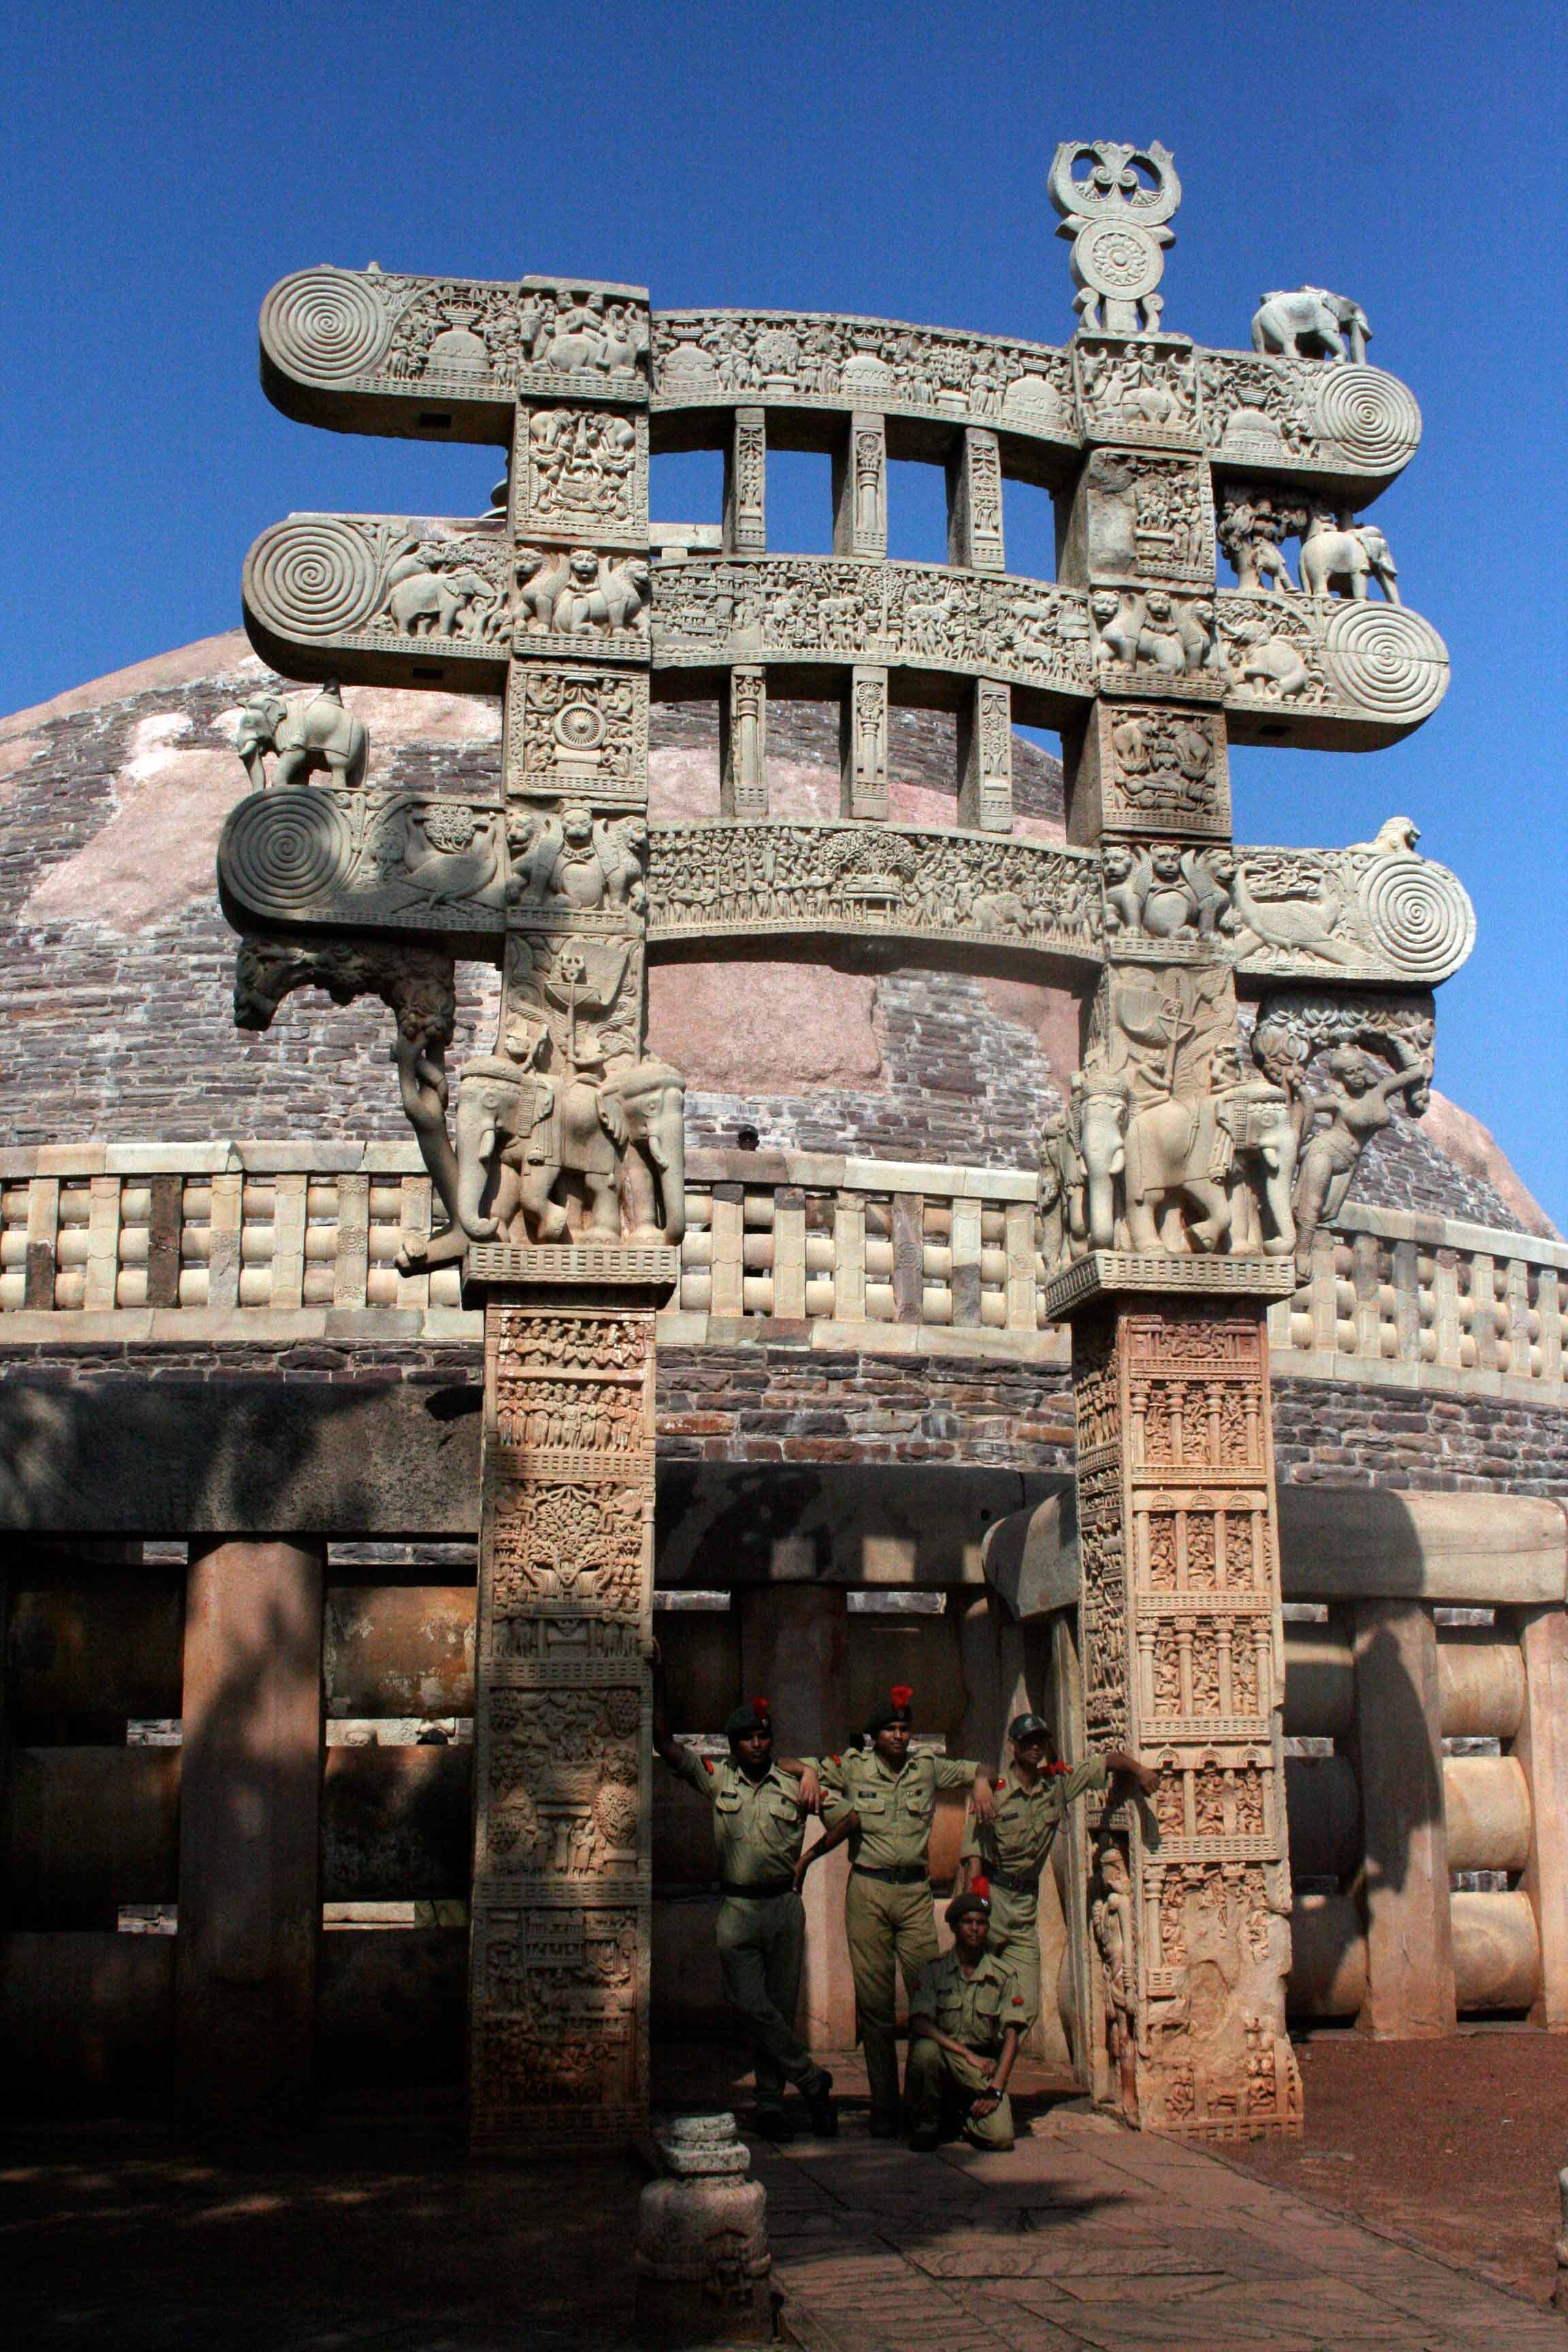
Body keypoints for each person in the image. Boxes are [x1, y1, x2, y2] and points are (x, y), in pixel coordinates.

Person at [650, 1644, 846, 2138]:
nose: (757, 1745)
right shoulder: (718, 1781)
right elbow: (664, 1742)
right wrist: (660, 1674)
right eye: (748, 1739)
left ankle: (770, 2105)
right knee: (751, 2005)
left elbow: (850, 1819)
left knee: (777, 2010)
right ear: (733, 1746)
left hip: (783, 1906)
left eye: (764, 1737)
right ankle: (812, 2078)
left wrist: (809, 1856)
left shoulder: (794, 1785)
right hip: (737, 1909)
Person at [819, 1686, 996, 2138]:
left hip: (915, 1892)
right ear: (873, 1736)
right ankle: (884, 2107)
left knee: (927, 2001)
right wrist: (817, 1790)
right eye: (889, 1730)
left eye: (904, 1729)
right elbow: (801, 1771)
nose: (898, 1736)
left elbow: (984, 1768)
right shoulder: (853, 1767)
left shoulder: (927, 1768)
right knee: (875, 2008)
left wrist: (979, 1780)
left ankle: (924, 2105)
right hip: (869, 1891)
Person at [960, 1713, 1161, 2040]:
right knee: (975, 1996)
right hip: (992, 1901)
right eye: (1028, 1742)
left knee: (1026, 2006)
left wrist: (1140, 1770)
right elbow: (974, 1858)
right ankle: (978, 2075)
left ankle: (993, 2072)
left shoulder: (1055, 1785)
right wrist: (975, 1910)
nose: (1036, 1748)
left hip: (1025, 1907)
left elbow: (1107, 1761)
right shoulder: (993, 1793)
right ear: (1013, 1747)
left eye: (1041, 1741)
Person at [905, 1882, 1027, 2151]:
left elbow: (1012, 2037)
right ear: (954, 1927)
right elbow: (921, 2023)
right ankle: (926, 2125)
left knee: (1001, 2138)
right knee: (925, 2051)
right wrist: (965, 2053)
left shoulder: (1003, 1976)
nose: (975, 1929)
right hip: (947, 2059)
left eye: (982, 1923)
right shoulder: (933, 1971)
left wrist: (996, 2088)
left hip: (980, 2067)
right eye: (967, 1922)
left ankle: (960, 2120)